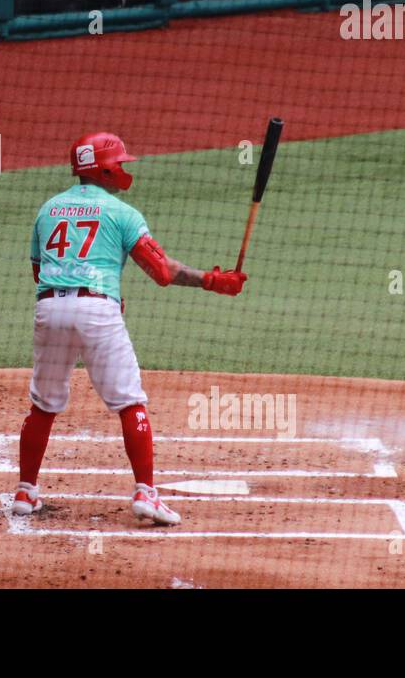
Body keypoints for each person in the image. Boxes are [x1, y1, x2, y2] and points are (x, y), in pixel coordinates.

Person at [12, 132, 247, 526]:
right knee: (129, 402)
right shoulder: (122, 213)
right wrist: (211, 279)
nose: (124, 169)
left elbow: (39, 269)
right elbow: (161, 271)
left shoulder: (48, 208)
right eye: (119, 162)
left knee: (44, 402)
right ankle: (146, 494)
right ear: (103, 168)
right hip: (97, 311)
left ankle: (25, 491)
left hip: (48, 307)